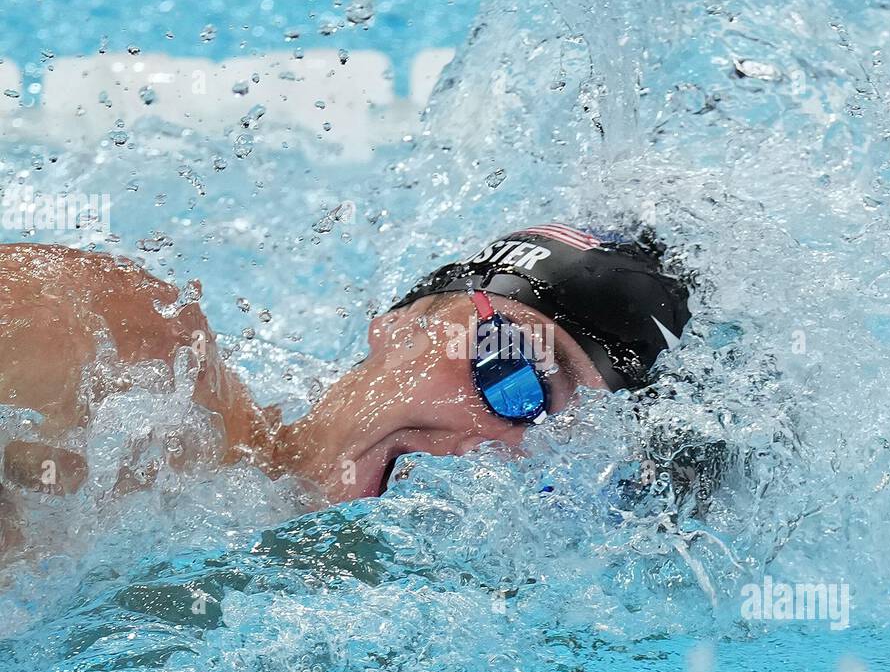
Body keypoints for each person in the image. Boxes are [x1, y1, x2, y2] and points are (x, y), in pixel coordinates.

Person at [0, 225, 689, 549]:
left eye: (573, 457)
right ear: (401, 325)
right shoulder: (132, 356)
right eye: (514, 373)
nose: (502, 449)